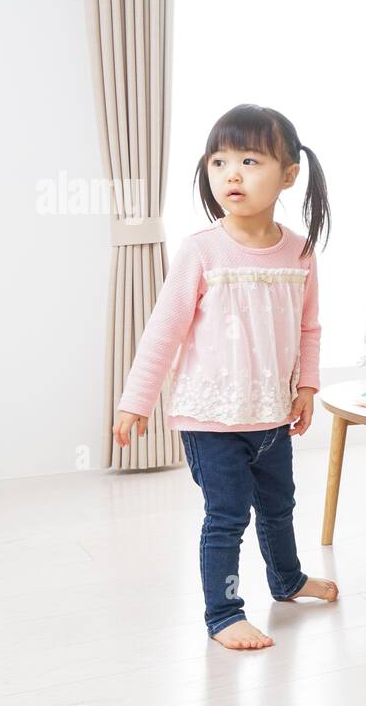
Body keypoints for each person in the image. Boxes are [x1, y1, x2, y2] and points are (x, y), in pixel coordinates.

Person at [114, 104, 340, 651]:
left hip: (271, 413)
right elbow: (163, 333)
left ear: (289, 174)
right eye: (218, 162)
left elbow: (309, 328)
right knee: (227, 515)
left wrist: (307, 387)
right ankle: (224, 612)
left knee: (280, 503)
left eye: (248, 160)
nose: (230, 174)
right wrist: (135, 401)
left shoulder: (300, 252)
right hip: (210, 416)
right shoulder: (202, 249)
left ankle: (286, 580)